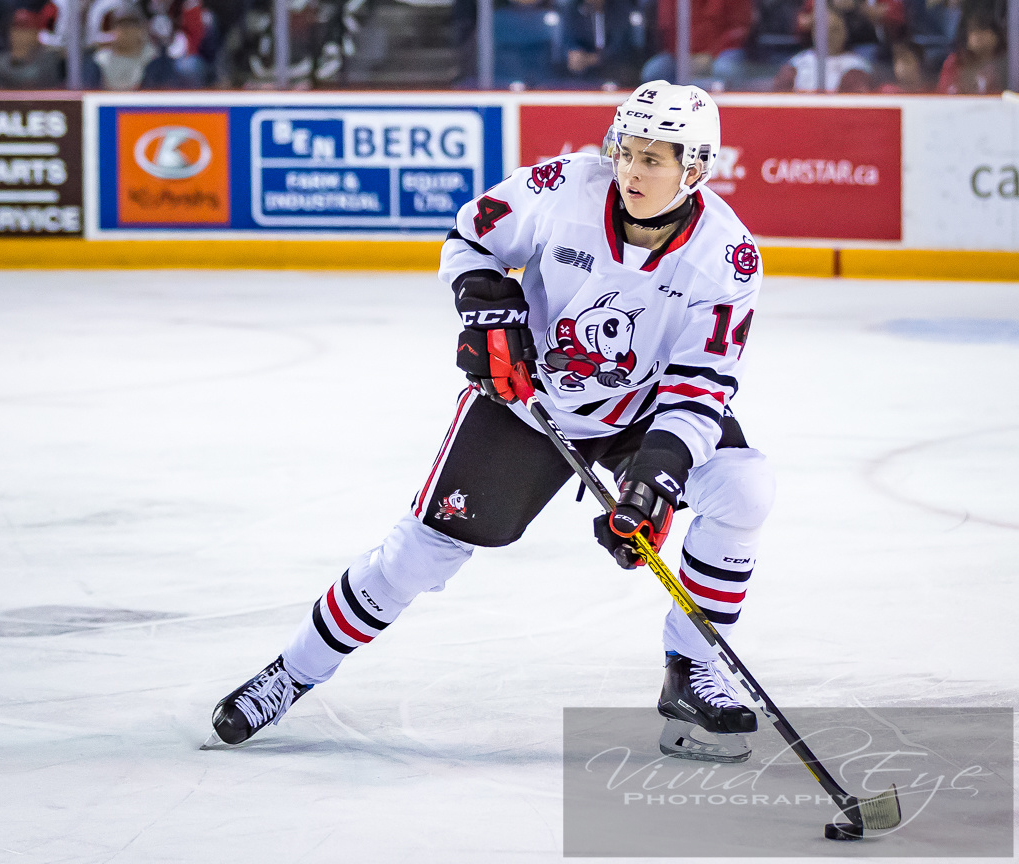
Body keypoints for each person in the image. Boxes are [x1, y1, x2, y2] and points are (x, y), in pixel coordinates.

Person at [206, 81, 775, 765]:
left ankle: (691, 673)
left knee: (743, 489)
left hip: (642, 409)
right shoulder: (563, 187)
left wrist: (655, 479)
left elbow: (701, 384)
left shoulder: (727, 254)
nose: (632, 170)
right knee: (418, 557)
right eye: (628, 150)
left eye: (655, 159)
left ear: (696, 169)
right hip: (525, 400)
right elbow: (471, 235)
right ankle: (291, 673)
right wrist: (485, 307)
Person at [641, 0, 752, 88]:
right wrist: (682, 57)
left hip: (720, 53)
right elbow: (668, 29)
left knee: (724, 69)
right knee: (653, 71)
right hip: (682, 57)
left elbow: (739, 27)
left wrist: (709, 56)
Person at [85, 1, 182, 89]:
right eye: (121, 25)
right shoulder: (100, 61)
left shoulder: (155, 59)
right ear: (114, 29)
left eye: (131, 24)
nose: (126, 30)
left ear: (141, 29)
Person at [773, 7, 874, 91]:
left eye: (834, 30)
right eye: (822, 30)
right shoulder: (797, 64)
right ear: (813, 33)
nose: (828, 35)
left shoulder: (855, 66)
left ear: (845, 33)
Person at [0, 6, 64, 88]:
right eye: (15, 29)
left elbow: (30, 79)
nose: (18, 36)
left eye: (25, 30)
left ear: (36, 34)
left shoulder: (49, 58)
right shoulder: (2, 60)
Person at [936, 4, 1005, 94]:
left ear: (996, 35)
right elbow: (943, 96)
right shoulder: (955, 63)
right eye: (973, 30)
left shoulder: (1008, 64)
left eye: (984, 29)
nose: (978, 36)